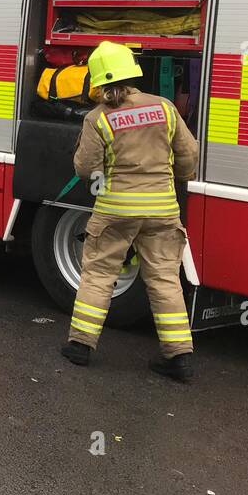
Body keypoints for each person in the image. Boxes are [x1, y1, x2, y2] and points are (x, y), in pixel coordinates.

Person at [62, 41, 199, 381]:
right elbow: (189, 155)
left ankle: (80, 346)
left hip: (115, 212)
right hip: (162, 211)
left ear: (98, 79)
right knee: (165, 280)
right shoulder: (165, 108)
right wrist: (175, 176)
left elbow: (86, 168)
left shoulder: (98, 118)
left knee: (98, 274)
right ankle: (179, 358)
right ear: (133, 70)